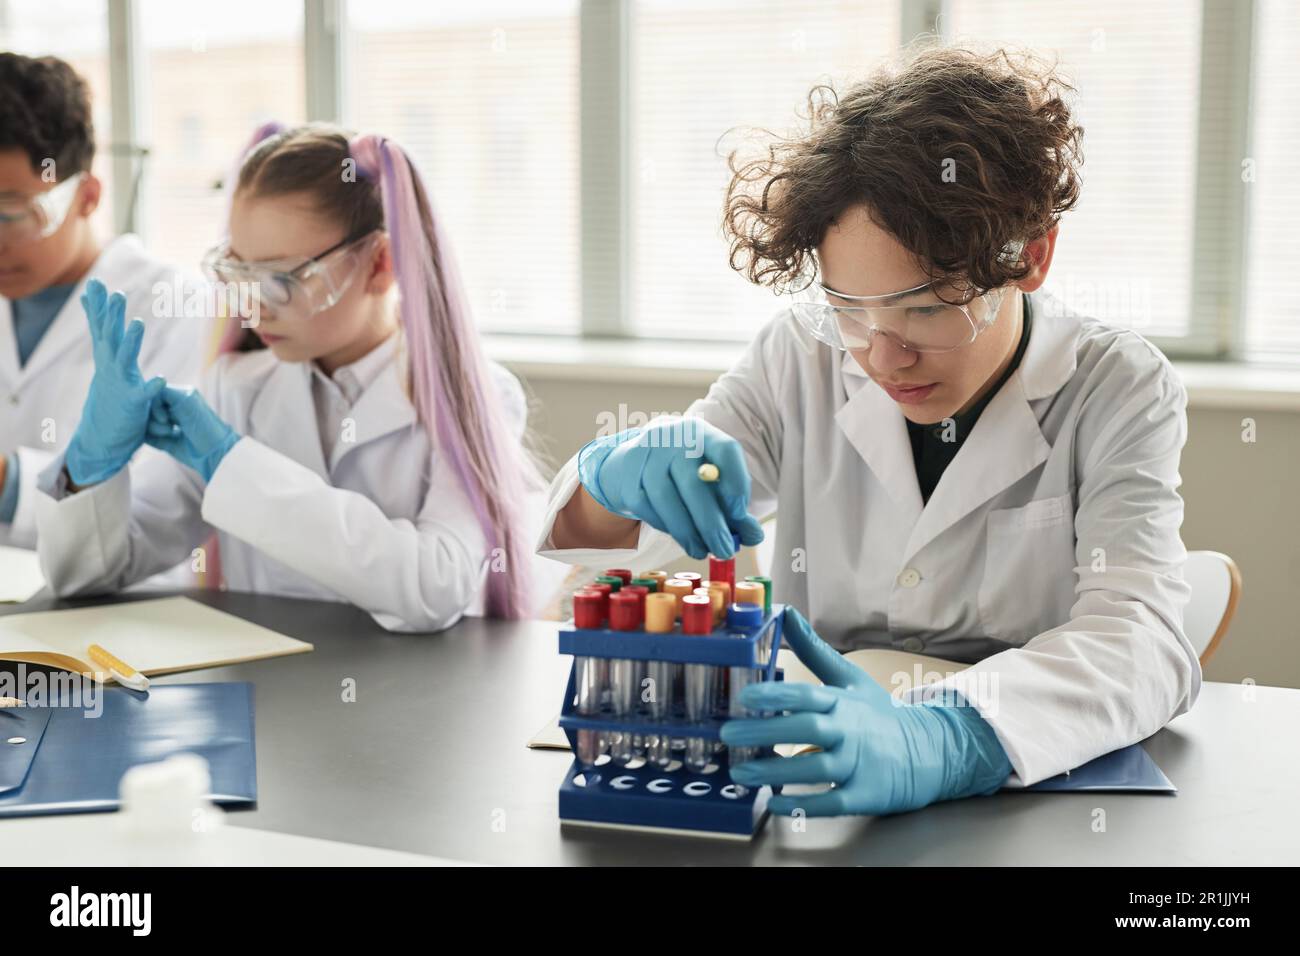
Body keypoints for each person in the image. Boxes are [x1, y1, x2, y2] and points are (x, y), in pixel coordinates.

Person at [537, 46, 1199, 815]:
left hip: (1023, 781)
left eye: (924, 308)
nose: (884, 356)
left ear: (1031, 254)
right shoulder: (799, 356)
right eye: (850, 309)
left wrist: (948, 740)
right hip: (824, 774)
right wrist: (611, 472)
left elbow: (1143, 642)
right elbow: (601, 539)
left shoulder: (1118, 388)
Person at [36, 124, 558, 631]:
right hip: (269, 702)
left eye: (281, 279)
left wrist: (236, 465)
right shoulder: (235, 389)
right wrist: (89, 468)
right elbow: (87, 576)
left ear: (381, 263)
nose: (252, 305)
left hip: (419, 703)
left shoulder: (471, 398)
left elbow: (435, 586)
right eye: (239, 274)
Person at [0, 52, 201, 550]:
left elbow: (160, 509)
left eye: (10, 214)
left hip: (117, 615)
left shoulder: (172, 309)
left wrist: (9, 482)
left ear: (87, 196)